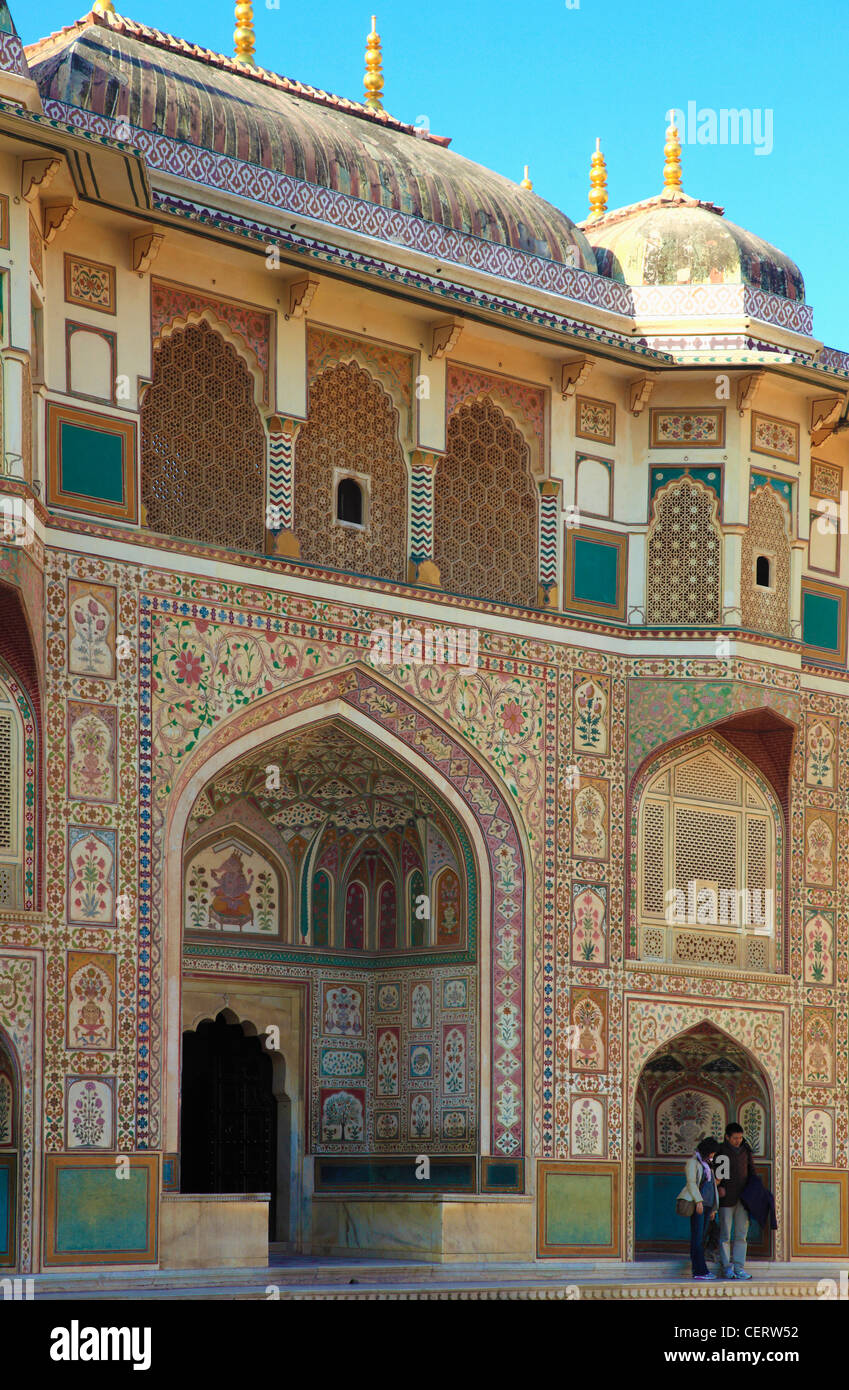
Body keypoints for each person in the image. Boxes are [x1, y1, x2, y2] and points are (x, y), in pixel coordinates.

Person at [715, 1121, 755, 1280]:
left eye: (740, 1137)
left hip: (743, 1198)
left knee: (741, 1234)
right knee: (725, 1234)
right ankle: (726, 1268)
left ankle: (739, 1267)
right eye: (735, 1138)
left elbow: (752, 1170)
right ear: (727, 1137)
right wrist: (720, 1188)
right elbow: (718, 1174)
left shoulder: (745, 1150)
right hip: (727, 1199)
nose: (738, 1141)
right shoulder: (721, 1151)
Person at [679, 1136, 719, 1280]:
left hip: (708, 1205)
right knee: (697, 1238)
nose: (713, 1155)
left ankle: (700, 1269)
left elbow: (712, 1185)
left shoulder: (707, 1164)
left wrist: (714, 1208)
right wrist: (698, 1201)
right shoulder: (692, 1162)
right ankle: (699, 1271)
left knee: (701, 1237)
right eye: (712, 1152)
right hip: (699, 1205)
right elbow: (691, 1183)